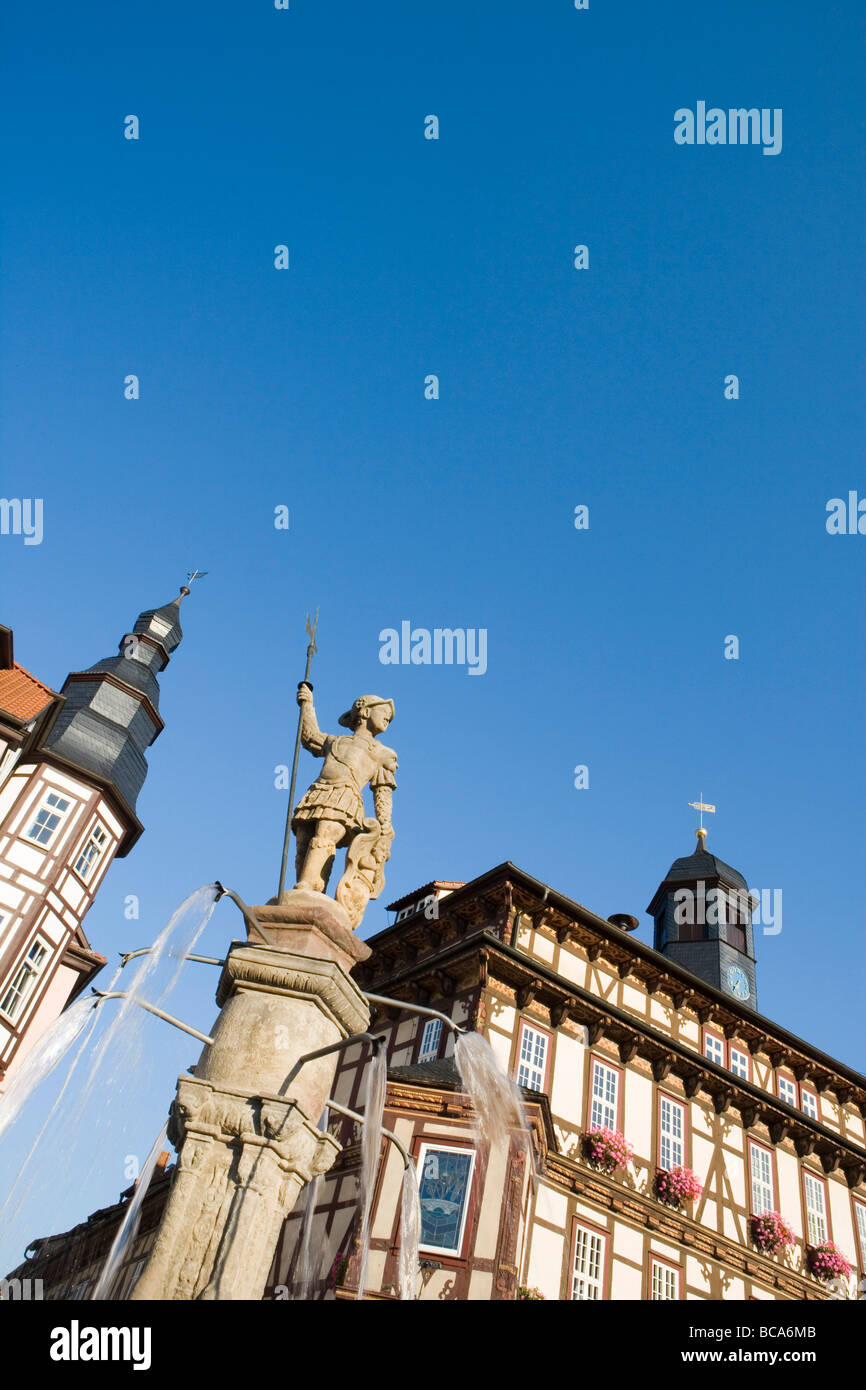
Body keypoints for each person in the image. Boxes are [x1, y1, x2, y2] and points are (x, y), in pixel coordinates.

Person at [292, 685, 397, 902]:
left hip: (346, 798)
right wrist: (307, 704)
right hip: (318, 792)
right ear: (365, 711)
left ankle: (306, 885)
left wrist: (385, 824)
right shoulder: (334, 741)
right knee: (304, 844)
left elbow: (382, 791)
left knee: (327, 834)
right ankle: (312, 889)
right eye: (383, 711)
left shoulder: (383, 754)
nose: (388, 717)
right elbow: (309, 737)